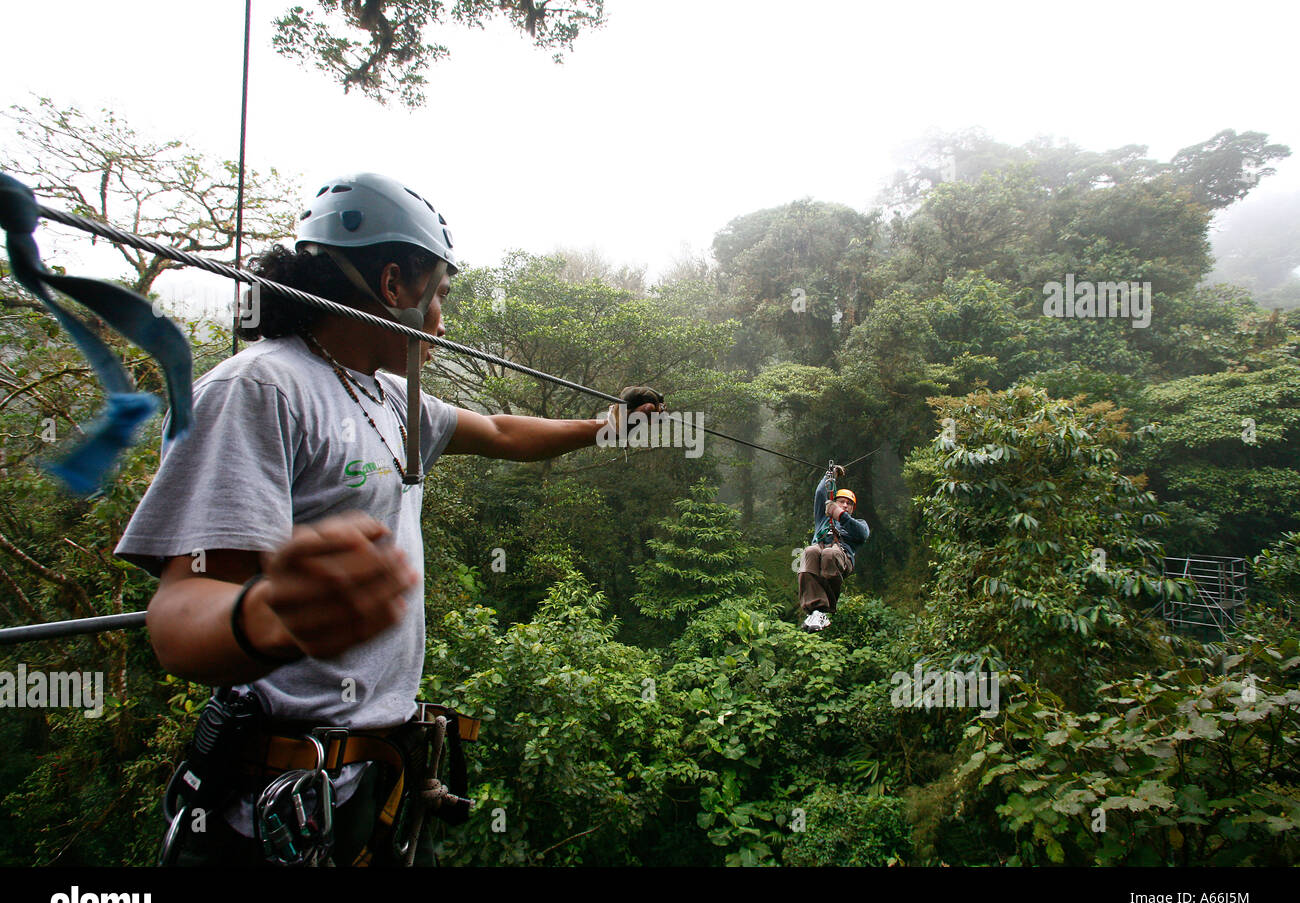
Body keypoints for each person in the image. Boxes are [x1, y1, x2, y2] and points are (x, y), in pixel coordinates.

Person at [114, 172, 661, 865]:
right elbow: (178, 612)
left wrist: (605, 428)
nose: (442, 319)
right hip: (281, 810)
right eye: (438, 295)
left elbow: (498, 431)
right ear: (394, 284)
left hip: (376, 785)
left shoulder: (388, 398)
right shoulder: (259, 387)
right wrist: (267, 615)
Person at [797, 464, 870, 631]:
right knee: (810, 551)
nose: (844, 505)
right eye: (841, 502)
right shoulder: (823, 518)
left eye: (848, 504)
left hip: (841, 557)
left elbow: (863, 534)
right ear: (834, 502)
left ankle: (824, 609)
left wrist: (840, 516)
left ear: (852, 509)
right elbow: (820, 493)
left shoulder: (857, 524)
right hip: (820, 550)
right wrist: (831, 475)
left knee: (830, 553)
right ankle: (814, 610)